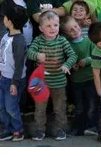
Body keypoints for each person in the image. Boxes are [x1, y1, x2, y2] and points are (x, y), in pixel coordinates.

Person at [26, 10, 76, 141]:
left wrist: (67, 65)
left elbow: (72, 55)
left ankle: (61, 130)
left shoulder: (62, 41)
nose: (52, 28)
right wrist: (37, 55)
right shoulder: (38, 40)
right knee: (40, 109)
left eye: (55, 25)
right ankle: (39, 130)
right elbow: (29, 52)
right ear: (41, 28)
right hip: (41, 83)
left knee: (60, 108)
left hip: (58, 82)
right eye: (48, 26)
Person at [0, 4, 29, 143]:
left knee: (11, 107)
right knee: (2, 106)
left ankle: (18, 130)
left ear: (10, 21)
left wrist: (15, 83)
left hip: (14, 80)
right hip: (4, 77)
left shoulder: (18, 41)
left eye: (6, 17)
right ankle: (7, 129)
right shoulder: (7, 35)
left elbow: (19, 65)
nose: (3, 19)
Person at [64, 16, 97, 137]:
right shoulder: (67, 45)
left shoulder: (89, 41)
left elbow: (97, 56)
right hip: (76, 80)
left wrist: (87, 60)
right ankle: (78, 128)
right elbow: (66, 60)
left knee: (92, 104)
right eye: (70, 30)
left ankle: (93, 126)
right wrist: (72, 66)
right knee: (79, 106)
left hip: (90, 78)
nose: (75, 30)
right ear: (66, 34)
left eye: (76, 27)